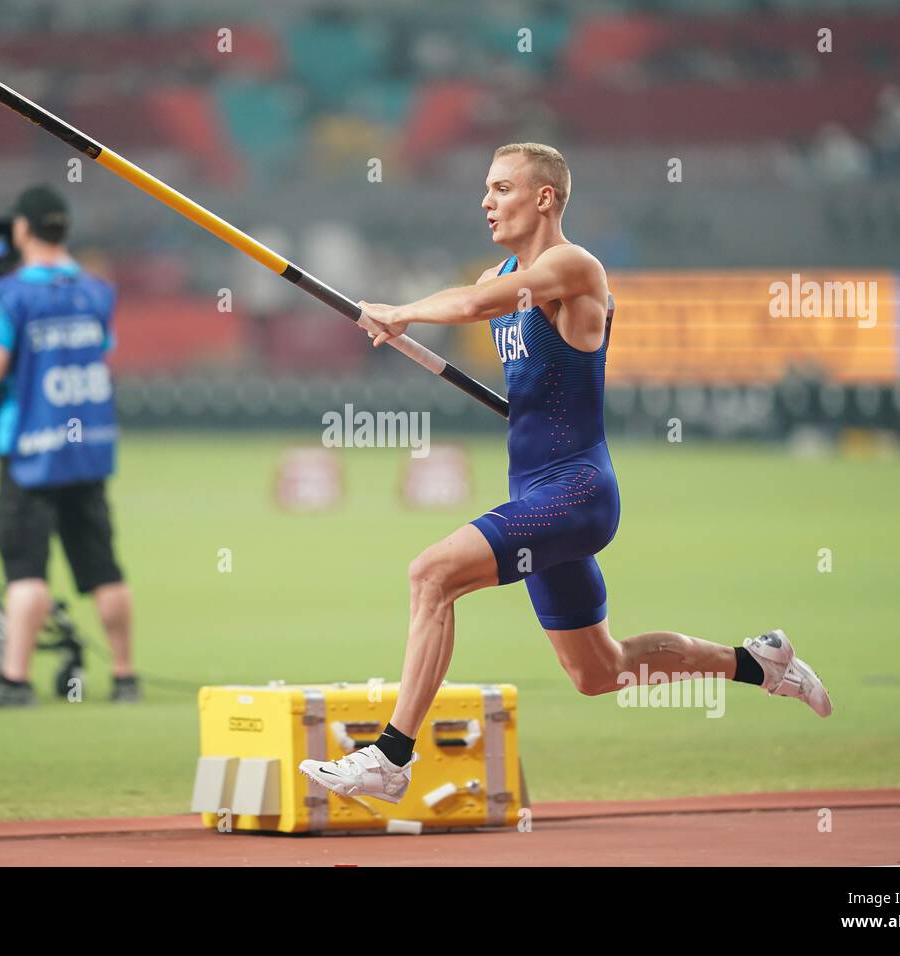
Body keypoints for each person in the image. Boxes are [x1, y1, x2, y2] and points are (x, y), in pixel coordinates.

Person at [300, 143, 832, 803]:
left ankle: (391, 757)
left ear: (544, 197)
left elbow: (473, 304)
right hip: (538, 492)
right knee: (598, 670)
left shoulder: (574, 267)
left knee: (431, 574)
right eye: (486, 189)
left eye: (501, 188)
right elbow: (524, 365)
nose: (486, 201)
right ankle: (760, 663)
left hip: (576, 494)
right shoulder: (507, 273)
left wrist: (402, 310)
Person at [0, 185, 138, 706]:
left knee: (26, 568)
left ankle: (15, 679)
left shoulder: (10, 295)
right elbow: (102, 353)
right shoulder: (97, 291)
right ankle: (124, 676)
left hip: (30, 451)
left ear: (22, 230)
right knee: (103, 568)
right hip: (89, 447)